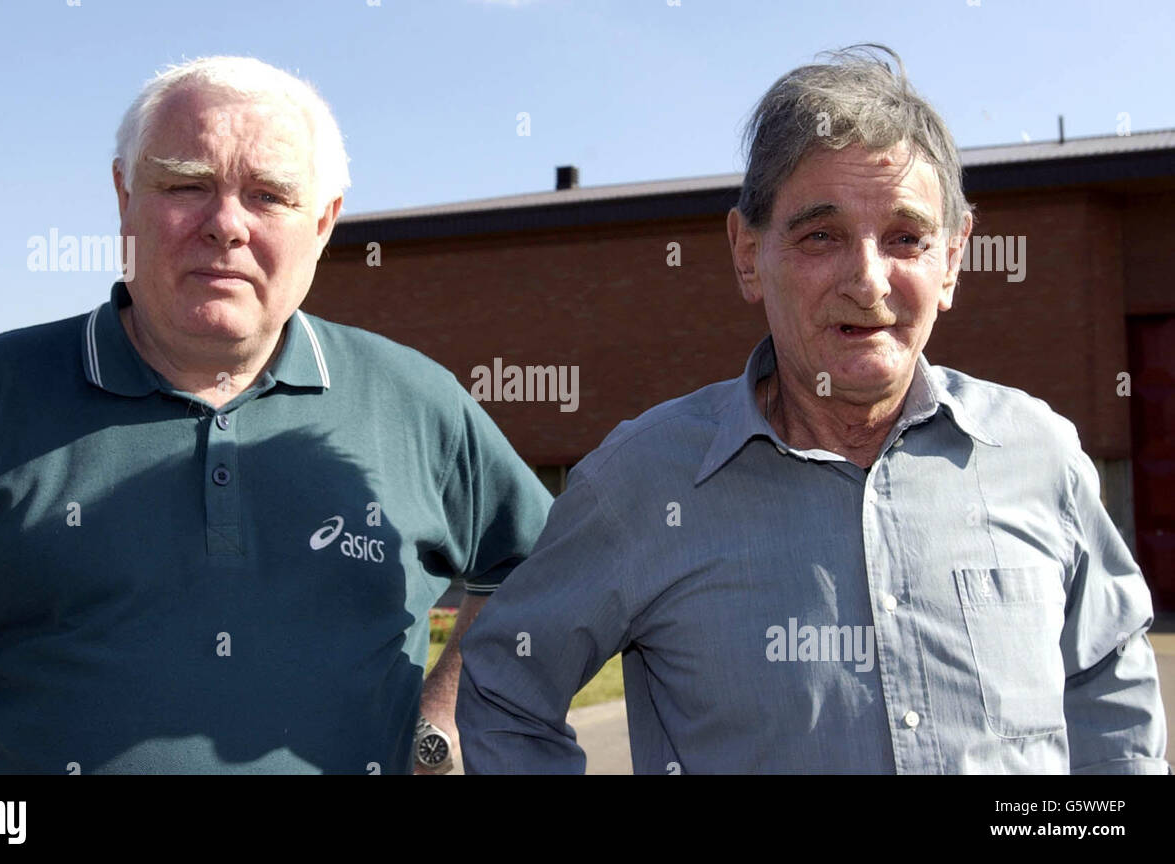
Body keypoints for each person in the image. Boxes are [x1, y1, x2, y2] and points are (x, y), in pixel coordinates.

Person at [456, 45, 1168, 774]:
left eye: (906, 238)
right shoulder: (642, 483)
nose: (868, 282)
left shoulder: (1038, 455)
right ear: (747, 254)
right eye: (821, 236)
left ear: (953, 260)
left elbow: (1111, 693)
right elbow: (505, 691)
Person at [0, 56, 551, 774]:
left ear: (324, 223)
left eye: (268, 195)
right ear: (124, 195)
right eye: (186, 185)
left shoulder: (416, 402)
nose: (226, 225)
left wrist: (440, 723)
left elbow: (547, 567)